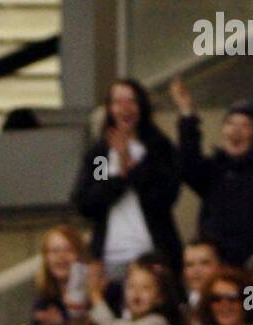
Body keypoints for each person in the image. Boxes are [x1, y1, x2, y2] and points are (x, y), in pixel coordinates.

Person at [71, 77, 183, 291]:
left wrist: (133, 167)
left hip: (151, 254)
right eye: (117, 102)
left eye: (131, 101)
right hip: (109, 259)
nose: (125, 108)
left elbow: (165, 197)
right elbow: (88, 202)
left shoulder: (157, 149)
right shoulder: (101, 155)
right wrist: (120, 176)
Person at [170, 78, 253, 267]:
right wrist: (187, 114)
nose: (236, 131)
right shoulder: (214, 169)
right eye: (231, 124)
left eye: (245, 125)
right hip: (219, 270)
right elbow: (188, 165)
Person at [31, 225, 92, 325]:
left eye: (68, 250)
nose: (61, 256)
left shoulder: (94, 295)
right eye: (55, 251)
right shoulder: (44, 300)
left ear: (80, 255)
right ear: (46, 258)